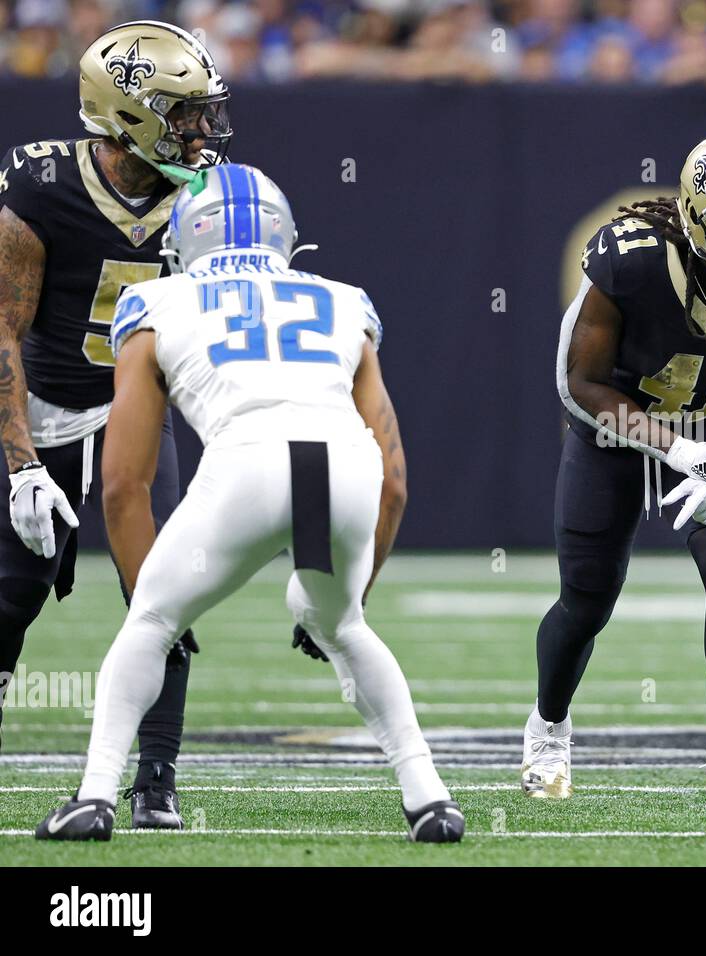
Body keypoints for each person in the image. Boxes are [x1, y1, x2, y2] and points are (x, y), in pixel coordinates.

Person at [36, 164, 463, 844]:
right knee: (345, 627)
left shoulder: (156, 302)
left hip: (248, 465)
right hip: (343, 468)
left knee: (147, 620)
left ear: (185, 239)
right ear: (284, 235)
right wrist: (347, 594)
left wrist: (155, 599)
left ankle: (94, 797)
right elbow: (395, 479)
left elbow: (123, 483)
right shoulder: (344, 300)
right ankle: (430, 798)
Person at [523, 131, 706, 807]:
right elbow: (580, 384)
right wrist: (677, 450)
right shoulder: (630, 261)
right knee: (588, 597)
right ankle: (548, 729)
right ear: (700, 218)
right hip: (617, 424)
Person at [0, 20, 233, 829]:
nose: (202, 130)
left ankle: (156, 780)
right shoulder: (40, 184)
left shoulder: (210, 194)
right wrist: (22, 462)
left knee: (164, 591)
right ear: (129, 114)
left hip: (141, 410)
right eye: (185, 113)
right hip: (46, 408)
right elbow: (2, 329)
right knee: (11, 593)